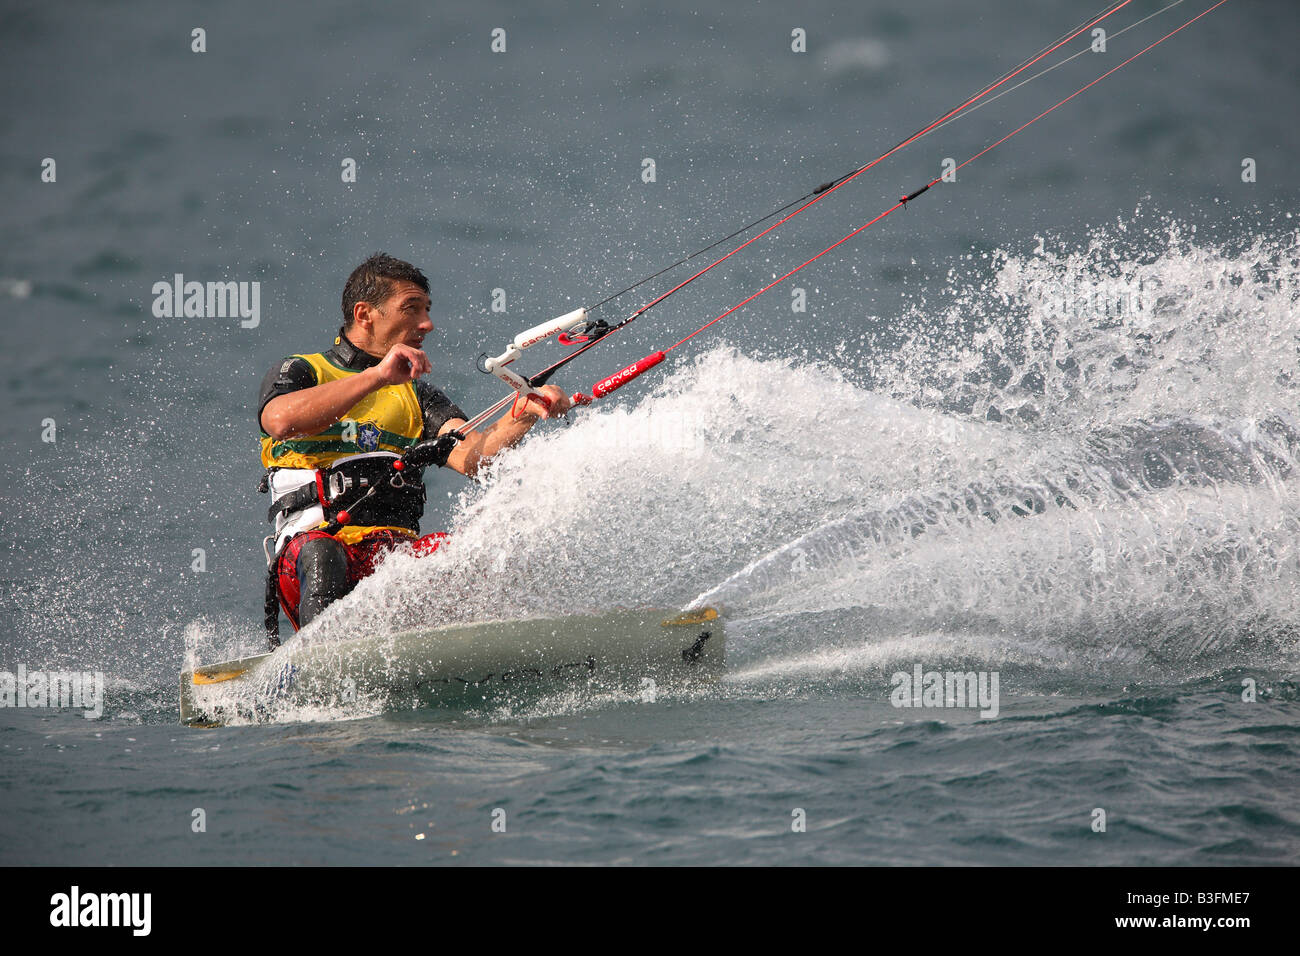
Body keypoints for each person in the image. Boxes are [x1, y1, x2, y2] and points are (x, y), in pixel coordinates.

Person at [256, 253, 571, 641]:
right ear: (364, 314)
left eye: (427, 309)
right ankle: (320, 668)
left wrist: (525, 412)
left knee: (464, 558)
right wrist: (376, 377)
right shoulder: (303, 370)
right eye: (411, 308)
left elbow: (477, 458)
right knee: (325, 557)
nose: (427, 324)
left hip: (392, 563)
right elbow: (280, 420)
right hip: (313, 556)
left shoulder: (418, 396)